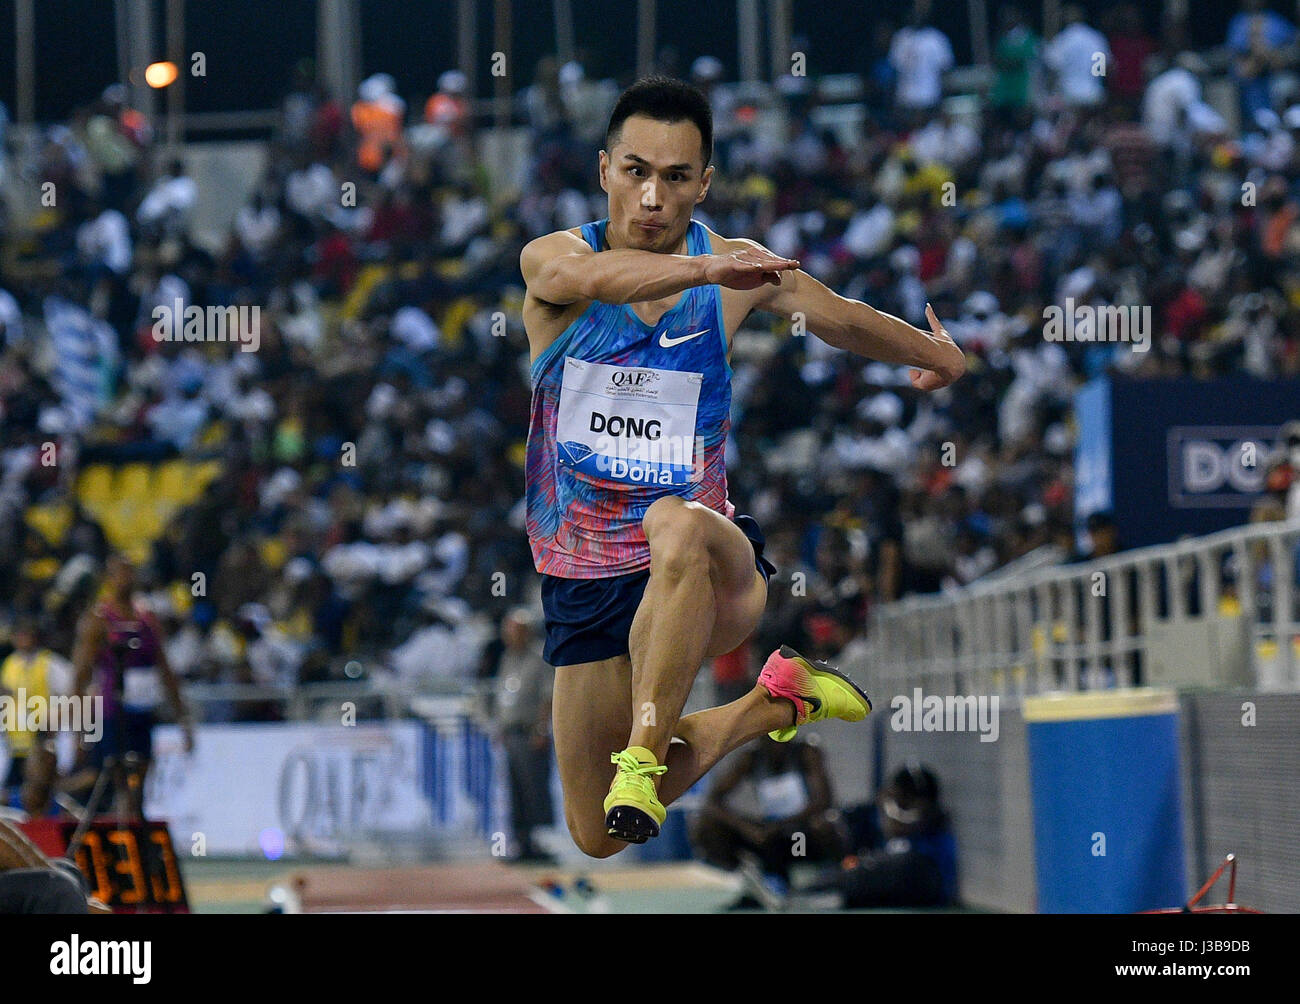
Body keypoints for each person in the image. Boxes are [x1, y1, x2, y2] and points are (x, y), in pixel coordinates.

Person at [519, 76, 966, 856]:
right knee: (594, 832)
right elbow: (596, 280)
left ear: (705, 183)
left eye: (677, 177)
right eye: (636, 172)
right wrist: (706, 272)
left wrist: (937, 356)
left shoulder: (738, 269)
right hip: (585, 577)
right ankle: (774, 704)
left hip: (708, 565)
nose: (654, 196)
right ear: (603, 170)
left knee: (676, 525)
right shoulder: (555, 262)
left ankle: (647, 751)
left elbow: (846, 320)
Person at [71, 556, 193, 819]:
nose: (126, 579)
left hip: (143, 710)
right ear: (109, 578)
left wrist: (183, 717)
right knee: (119, 782)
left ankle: (134, 835)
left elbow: (165, 669)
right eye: (119, 573)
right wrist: (80, 730)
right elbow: (81, 675)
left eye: (130, 573)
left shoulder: (147, 618)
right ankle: (121, 836)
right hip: (113, 710)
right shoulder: (98, 619)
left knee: (139, 784)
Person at [691, 735, 845, 908]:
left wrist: (781, 825)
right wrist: (747, 828)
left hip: (800, 837)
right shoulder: (750, 757)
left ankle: (825, 882)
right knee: (706, 825)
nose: (774, 742)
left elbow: (823, 801)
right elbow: (713, 801)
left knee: (824, 823)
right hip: (769, 838)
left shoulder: (806, 752)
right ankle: (754, 881)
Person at [797, 763, 958, 909]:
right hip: (904, 880)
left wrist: (887, 802)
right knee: (857, 866)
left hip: (927, 879)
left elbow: (896, 828)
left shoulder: (932, 814)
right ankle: (804, 892)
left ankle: (810, 893)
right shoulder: (892, 816)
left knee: (869, 869)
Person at [493, 607, 556, 863]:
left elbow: (547, 696)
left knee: (534, 789)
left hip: (532, 733)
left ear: (526, 632)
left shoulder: (539, 657)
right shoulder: (508, 658)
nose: (509, 636)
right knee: (515, 789)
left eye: (514, 630)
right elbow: (502, 694)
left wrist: (542, 729)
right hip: (512, 734)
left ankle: (539, 842)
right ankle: (521, 841)